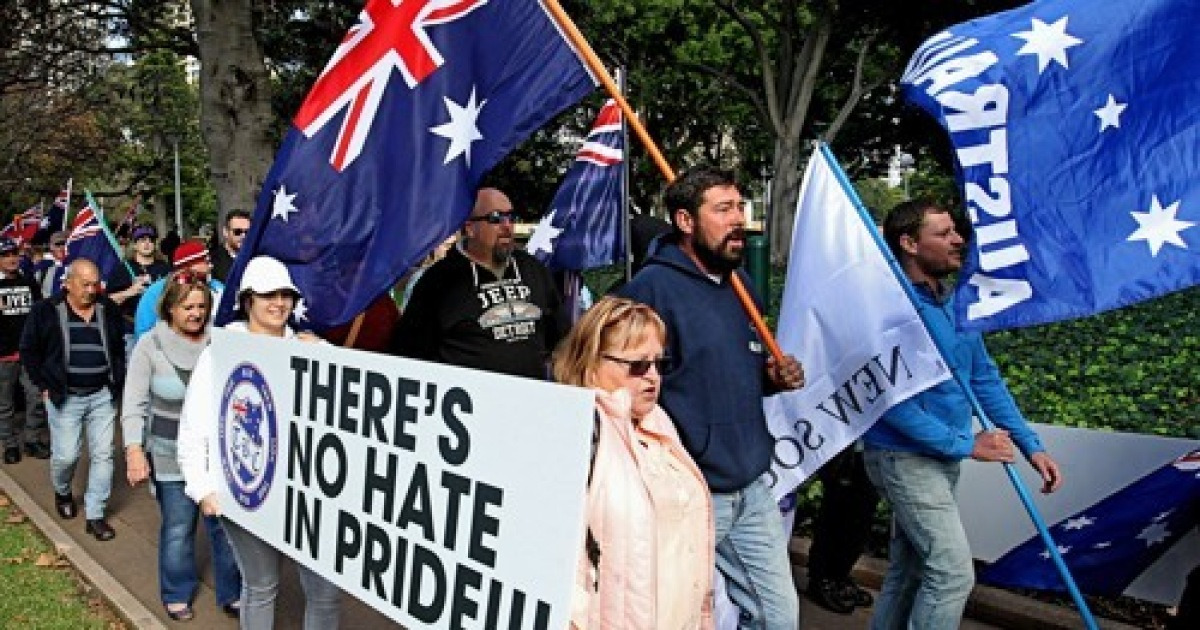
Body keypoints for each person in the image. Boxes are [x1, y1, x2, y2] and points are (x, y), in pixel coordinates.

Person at [862, 199, 1064, 630]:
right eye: (943, 233)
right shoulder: (888, 309)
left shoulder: (954, 302)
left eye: (955, 231)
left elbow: (984, 379)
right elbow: (889, 402)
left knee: (910, 571)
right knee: (953, 573)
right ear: (909, 243)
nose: (958, 240)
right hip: (902, 457)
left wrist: (1030, 444)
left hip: (940, 457)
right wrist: (966, 445)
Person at [618, 166, 805, 629]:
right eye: (723, 209)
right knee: (668, 617)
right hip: (688, 491)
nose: (738, 218)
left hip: (752, 487)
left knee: (778, 618)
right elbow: (617, 387)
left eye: (740, 207)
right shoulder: (649, 291)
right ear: (685, 221)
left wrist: (770, 378)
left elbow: (728, 371)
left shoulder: (742, 285)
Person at [178, 255, 340, 628]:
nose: (279, 303)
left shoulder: (308, 345)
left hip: (305, 490)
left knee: (325, 592)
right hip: (246, 486)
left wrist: (326, 354)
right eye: (269, 295)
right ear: (248, 299)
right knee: (261, 584)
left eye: (286, 295)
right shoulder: (222, 349)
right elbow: (195, 423)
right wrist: (202, 488)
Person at [554, 297, 714, 629]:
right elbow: (558, 563)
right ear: (592, 361)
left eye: (660, 363)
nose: (653, 377)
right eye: (638, 365)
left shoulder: (659, 421)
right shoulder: (576, 432)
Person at [122, 270, 242, 621]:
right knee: (179, 526)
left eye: (202, 306)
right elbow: (133, 404)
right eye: (188, 306)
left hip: (214, 456)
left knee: (224, 528)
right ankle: (176, 591)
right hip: (168, 452)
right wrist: (133, 451)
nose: (196, 313)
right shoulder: (150, 345)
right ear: (170, 308)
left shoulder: (219, 344)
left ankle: (232, 592)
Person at [391, 187, 562, 379]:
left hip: (529, 399)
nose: (507, 226)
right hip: (466, 402)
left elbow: (561, 337)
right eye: (496, 218)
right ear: (470, 228)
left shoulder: (533, 270)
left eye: (511, 217)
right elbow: (408, 353)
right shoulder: (439, 281)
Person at [20, 258, 126, 541]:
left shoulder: (107, 309)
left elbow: (119, 346)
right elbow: (29, 349)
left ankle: (95, 515)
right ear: (68, 283)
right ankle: (63, 490)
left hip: (102, 395)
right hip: (64, 396)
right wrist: (43, 384)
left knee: (104, 454)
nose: (91, 290)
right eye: (85, 284)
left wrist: (118, 378)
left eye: (95, 284)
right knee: (66, 455)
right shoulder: (46, 311)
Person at [804, 445, 878, 614]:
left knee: (861, 517)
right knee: (836, 513)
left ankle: (839, 575)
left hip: (867, 449)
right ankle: (821, 578)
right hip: (844, 447)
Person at [0, 237, 49, 463]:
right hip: (3, 356)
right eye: (6, 255)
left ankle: (32, 440)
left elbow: (40, 315)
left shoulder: (30, 282)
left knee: (36, 396)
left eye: (14, 254)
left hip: (30, 353)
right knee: (5, 402)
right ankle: (9, 444)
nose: (11, 259)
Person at [134, 239, 224, 341]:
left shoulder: (217, 287)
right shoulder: (157, 291)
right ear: (189, 266)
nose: (211, 266)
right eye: (206, 262)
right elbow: (144, 331)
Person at [108, 224, 172, 355]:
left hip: (160, 329)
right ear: (135, 245)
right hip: (130, 331)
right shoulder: (123, 269)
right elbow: (108, 302)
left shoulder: (165, 269)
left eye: (151, 240)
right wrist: (130, 291)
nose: (147, 243)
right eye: (142, 240)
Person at [210, 209, 250, 282]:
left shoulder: (255, 258)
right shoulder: (212, 261)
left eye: (247, 232)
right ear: (225, 232)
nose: (243, 236)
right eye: (237, 232)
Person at [34, 231, 68, 298]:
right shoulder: (43, 266)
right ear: (51, 247)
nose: (62, 247)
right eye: (58, 244)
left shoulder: (74, 265)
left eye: (64, 244)